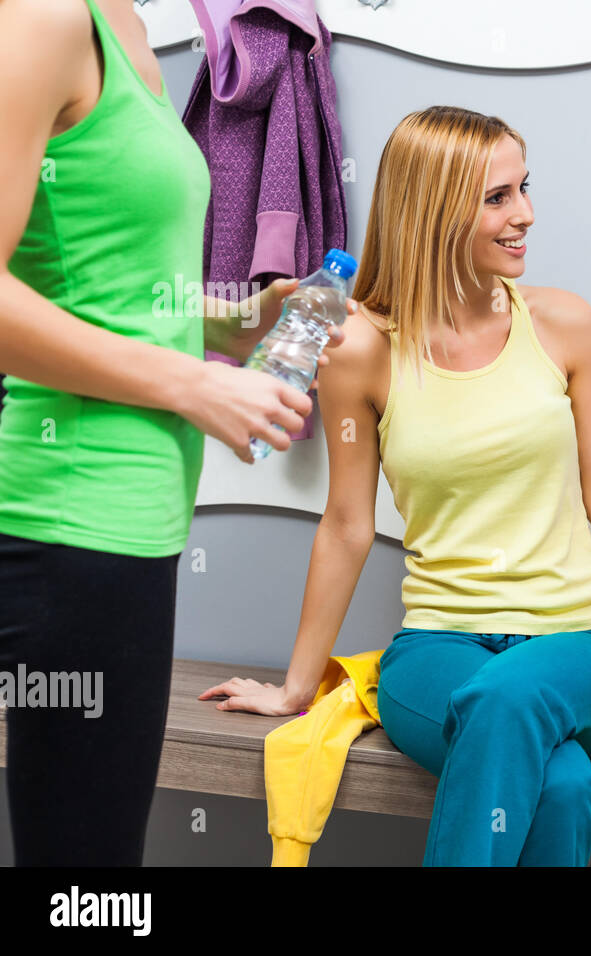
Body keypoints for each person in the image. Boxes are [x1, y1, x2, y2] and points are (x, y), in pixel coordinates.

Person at [199, 106, 591, 866]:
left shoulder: (564, 325)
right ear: (433, 208)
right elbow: (347, 524)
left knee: (511, 698)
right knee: (559, 786)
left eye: (524, 188)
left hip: (580, 645)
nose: (525, 214)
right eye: (498, 198)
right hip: (438, 646)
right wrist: (297, 688)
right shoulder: (360, 351)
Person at [0, 0, 346, 865]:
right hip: (67, 516)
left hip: (133, 527)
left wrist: (230, 325)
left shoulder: (130, 28)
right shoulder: (42, 19)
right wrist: (194, 385)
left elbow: (103, 291)